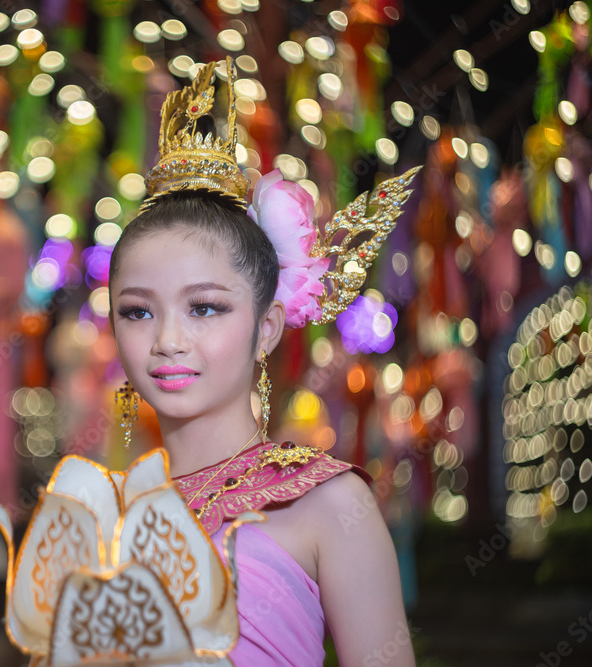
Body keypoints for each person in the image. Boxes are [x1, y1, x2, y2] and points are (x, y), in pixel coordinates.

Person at [103, 58, 418, 665]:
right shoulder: (108, 512)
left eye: (206, 309)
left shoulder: (328, 506)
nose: (168, 339)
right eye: (138, 312)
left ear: (266, 327)